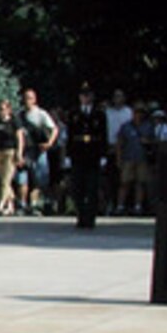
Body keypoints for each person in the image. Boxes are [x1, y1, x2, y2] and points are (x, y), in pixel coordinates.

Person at [66, 83, 107, 228]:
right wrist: (68, 155)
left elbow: (103, 135)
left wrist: (103, 155)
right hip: (78, 155)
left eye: (88, 95)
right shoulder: (74, 113)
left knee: (92, 188)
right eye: (83, 95)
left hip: (93, 155)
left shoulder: (99, 114)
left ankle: (90, 218)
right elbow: (70, 135)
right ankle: (81, 216)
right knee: (78, 188)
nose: (86, 98)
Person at [19, 88, 59, 215]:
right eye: (25, 98)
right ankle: (25, 204)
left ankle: (39, 204)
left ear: (35, 99)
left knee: (40, 178)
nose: (27, 101)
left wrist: (49, 143)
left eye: (30, 98)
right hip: (26, 150)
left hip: (39, 150)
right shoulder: (20, 115)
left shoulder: (41, 114)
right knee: (24, 178)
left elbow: (54, 129)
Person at [115, 104, 152, 215]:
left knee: (140, 183)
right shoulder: (126, 126)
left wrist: (148, 142)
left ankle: (138, 206)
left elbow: (154, 142)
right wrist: (119, 159)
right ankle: (120, 206)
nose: (138, 115)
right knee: (124, 183)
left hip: (142, 159)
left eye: (141, 112)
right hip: (128, 158)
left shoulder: (148, 126)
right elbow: (120, 144)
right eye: (136, 112)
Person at [0, 99, 24, 216]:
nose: (1, 111)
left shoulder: (14, 121)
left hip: (10, 152)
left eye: (3, 109)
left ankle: (0, 205)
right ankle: (10, 205)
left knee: (6, 180)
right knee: (4, 181)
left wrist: (19, 153)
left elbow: (20, 138)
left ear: (9, 109)